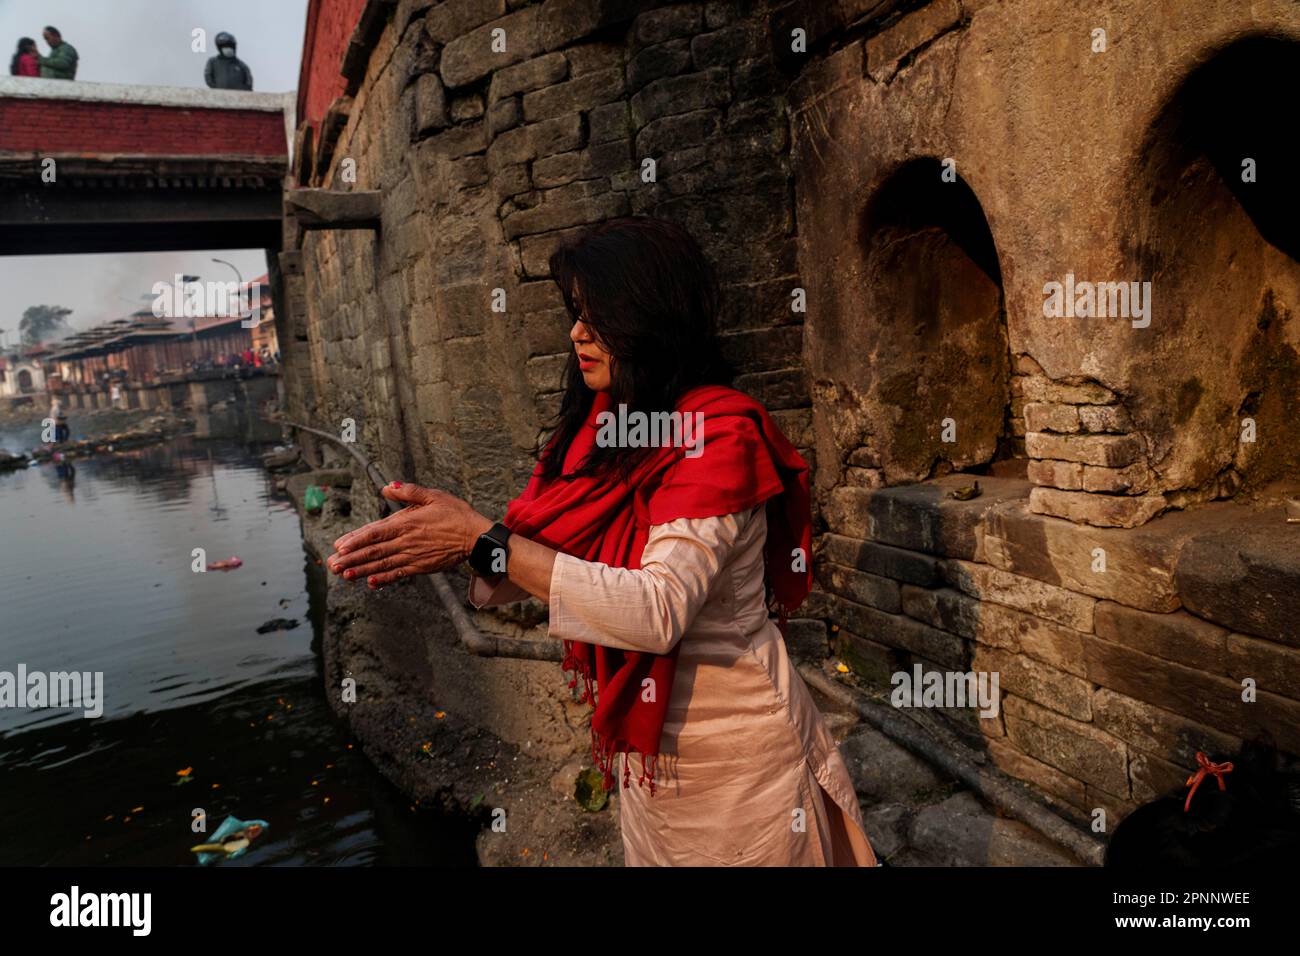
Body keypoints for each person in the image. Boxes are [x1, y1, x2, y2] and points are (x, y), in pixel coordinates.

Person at [326, 216, 880, 867]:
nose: (576, 333)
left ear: (649, 318)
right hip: (652, 765)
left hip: (740, 754)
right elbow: (539, 561)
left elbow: (654, 611)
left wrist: (478, 535)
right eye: (575, 313)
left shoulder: (718, 436)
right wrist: (465, 547)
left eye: (597, 317)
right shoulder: (603, 436)